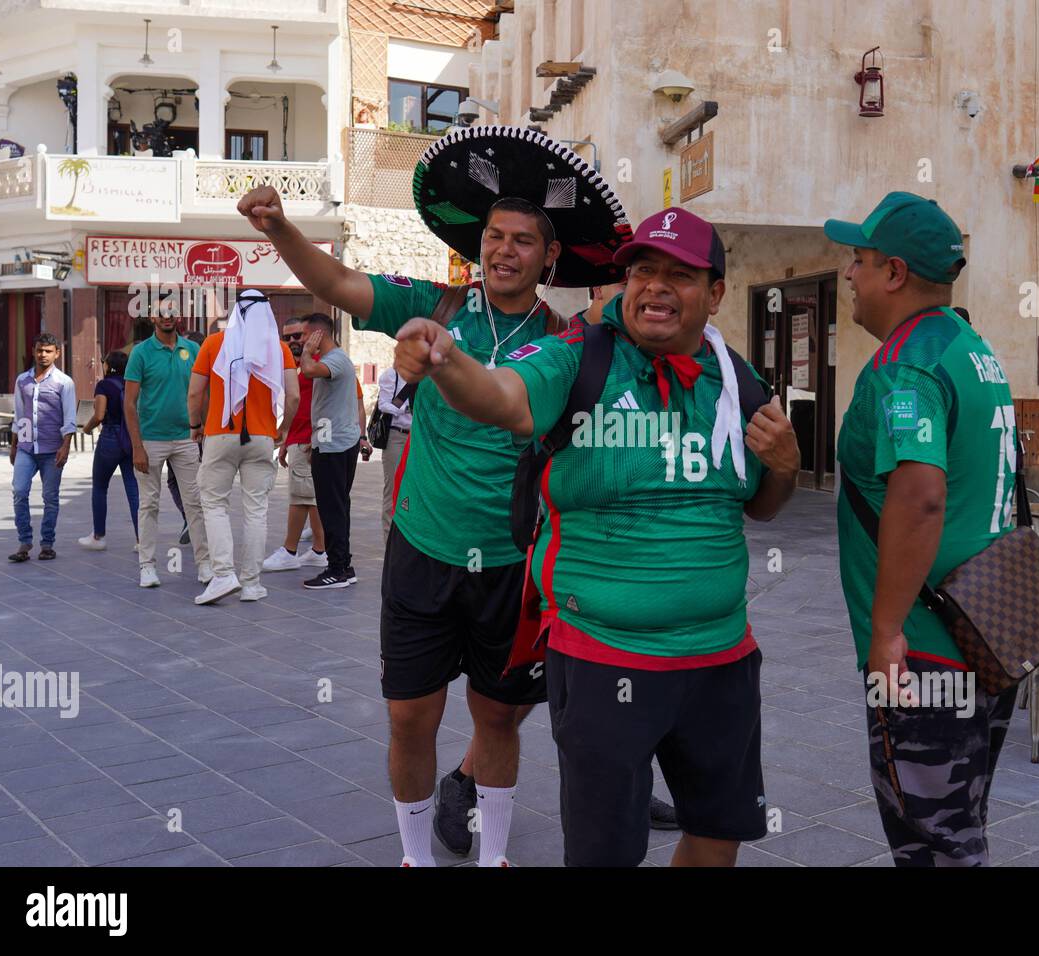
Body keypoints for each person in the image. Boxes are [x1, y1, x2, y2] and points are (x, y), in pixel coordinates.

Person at [236, 125, 633, 867]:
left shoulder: (564, 343)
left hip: (514, 568)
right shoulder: (436, 306)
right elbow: (338, 285)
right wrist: (281, 227)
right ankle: (416, 858)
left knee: (498, 723)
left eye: (522, 240)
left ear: (550, 257)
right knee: (411, 718)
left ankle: (496, 858)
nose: (503, 250)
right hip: (423, 551)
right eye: (494, 235)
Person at [392, 207, 801, 867]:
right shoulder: (579, 358)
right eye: (642, 271)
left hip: (721, 659)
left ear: (716, 293)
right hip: (603, 657)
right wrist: (444, 358)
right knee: (604, 853)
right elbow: (504, 396)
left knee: (718, 833)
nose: (655, 287)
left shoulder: (736, 380)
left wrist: (784, 465)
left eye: (679, 275)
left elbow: (763, 506)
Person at [824, 191, 1017, 866]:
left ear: (895, 273)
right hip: (987, 630)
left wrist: (884, 632)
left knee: (931, 843)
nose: (849, 273)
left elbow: (922, 494)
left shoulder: (907, 365)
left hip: (924, 651)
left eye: (860, 258)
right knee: (960, 829)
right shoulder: (971, 347)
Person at [188, 292, 299, 605]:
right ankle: (251, 584)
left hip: (220, 435)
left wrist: (195, 426)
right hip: (262, 438)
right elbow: (292, 397)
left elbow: (195, 393)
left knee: (214, 504)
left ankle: (223, 575)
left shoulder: (213, 344)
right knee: (256, 510)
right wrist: (283, 429)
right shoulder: (278, 349)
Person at [125, 308, 212, 588]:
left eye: (172, 312)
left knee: (195, 503)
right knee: (148, 504)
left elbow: (204, 391)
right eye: (161, 313)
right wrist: (137, 446)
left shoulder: (193, 349)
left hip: (187, 437)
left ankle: (205, 565)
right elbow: (129, 403)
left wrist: (205, 429)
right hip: (151, 439)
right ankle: (147, 567)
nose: (167, 317)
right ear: (152, 318)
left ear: (179, 316)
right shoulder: (141, 353)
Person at [297, 312, 362, 589]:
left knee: (332, 508)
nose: (299, 340)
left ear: (318, 335)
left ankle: (337, 569)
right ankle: (344, 566)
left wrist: (307, 353)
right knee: (337, 506)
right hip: (331, 442)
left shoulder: (334, 360)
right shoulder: (334, 360)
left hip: (335, 446)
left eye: (303, 335)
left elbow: (308, 371)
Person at [264, 315, 329, 573]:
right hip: (299, 439)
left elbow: (331, 404)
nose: (292, 341)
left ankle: (292, 551)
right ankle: (318, 551)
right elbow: (300, 407)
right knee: (309, 496)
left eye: (297, 335)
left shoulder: (317, 365)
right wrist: (287, 440)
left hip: (308, 441)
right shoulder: (304, 366)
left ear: (311, 335)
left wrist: (316, 439)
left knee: (303, 496)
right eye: (287, 337)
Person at [9, 333, 76, 562]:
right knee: (19, 492)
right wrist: (14, 446)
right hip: (26, 449)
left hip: (52, 450)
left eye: (48, 351)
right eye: (39, 350)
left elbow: (69, 418)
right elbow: (18, 415)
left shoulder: (64, 382)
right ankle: (24, 542)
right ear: (33, 351)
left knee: (50, 498)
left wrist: (65, 447)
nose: (43, 355)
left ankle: (47, 544)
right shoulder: (22, 381)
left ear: (57, 353)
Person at [78, 350, 139, 550]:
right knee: (133, 488)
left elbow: (99, 415)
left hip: (111, 437)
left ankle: (98, 537)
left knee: (100, 486)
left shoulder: (104, 385)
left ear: (107, 366)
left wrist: (86, 429)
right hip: (130, 437)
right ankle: (141, 539)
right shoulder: (132, 383)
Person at [168, 329, 207, 547]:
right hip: (201, 432)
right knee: (196, 481)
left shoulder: (187, 370)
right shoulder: (210, 369)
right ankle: (194, 520)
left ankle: (191, 520)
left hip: (187, 432)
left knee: (179, 481)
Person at [375, 363, 413, 543]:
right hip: (396, 436)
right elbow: (383, 404)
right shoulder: (391, 375)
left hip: (417, 437)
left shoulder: (423, 376)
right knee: (392, 491)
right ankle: (389, 542)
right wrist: (402, 408)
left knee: (413, 489)